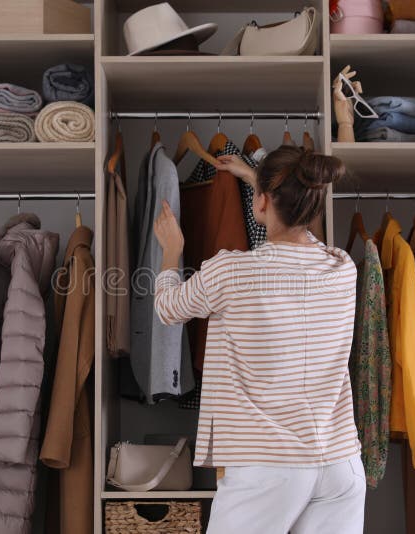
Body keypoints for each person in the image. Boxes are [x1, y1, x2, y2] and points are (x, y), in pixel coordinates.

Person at [152, 146, 365, 534]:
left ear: (264, 201)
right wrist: (256, 181)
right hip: (340, 464)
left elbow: (169, 307)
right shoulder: (340, 267)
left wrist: (172, 252)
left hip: (269, 466)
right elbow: (300, 238)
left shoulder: (231, 272)